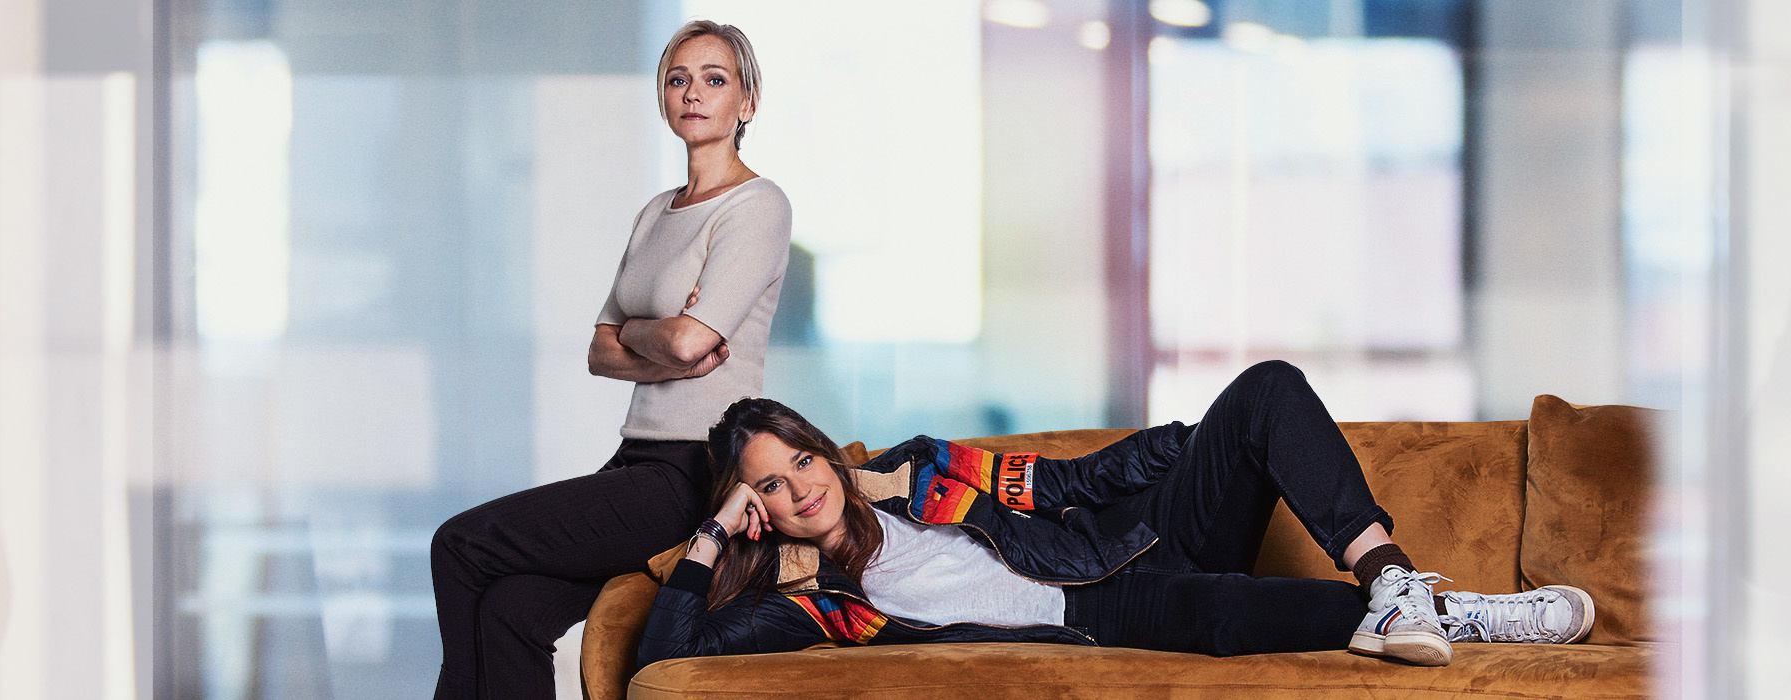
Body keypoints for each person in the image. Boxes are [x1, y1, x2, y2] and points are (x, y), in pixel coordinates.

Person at [637, 361, 1597, 671]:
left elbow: (1066, 484)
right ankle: (1464, 613)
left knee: (1266, 388)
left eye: (801, 460)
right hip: (1105, 617)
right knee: (1238, 614)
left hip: (1134, 540)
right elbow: (667, 657)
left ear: (823, 450)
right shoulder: (816, 607)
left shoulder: (922, 470)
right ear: (758, 511)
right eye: (768, 487)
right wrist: (714, 532)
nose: (799, 487)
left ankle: (1393, 580)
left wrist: (1202, 445)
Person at [430, 20, 791, 699]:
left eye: (714, 79)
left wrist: (645, 334)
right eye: (678, 79)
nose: (693, 93)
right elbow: (603, 350)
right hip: (634, 460)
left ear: (747, 102)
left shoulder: (757, 205)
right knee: (512, 611)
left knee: (459, 543)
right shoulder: (656, 213)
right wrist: (662, 334)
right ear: (663, 97)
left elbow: (689, 343)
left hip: (694, 470)